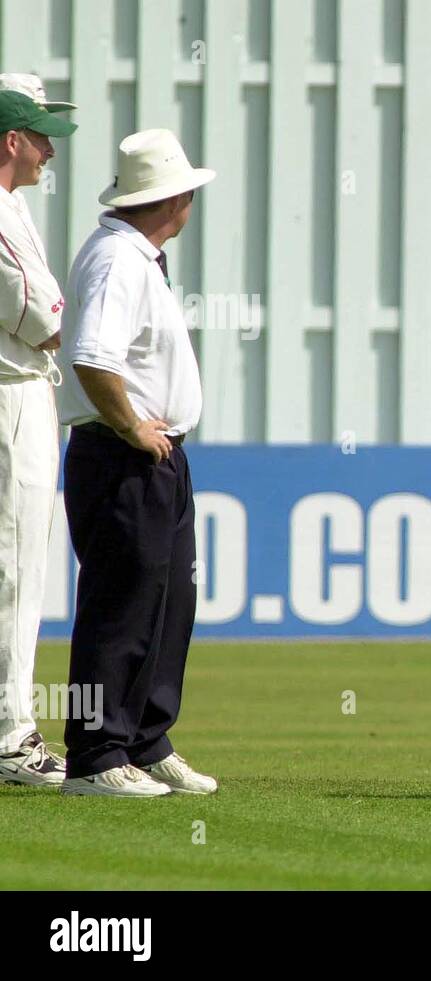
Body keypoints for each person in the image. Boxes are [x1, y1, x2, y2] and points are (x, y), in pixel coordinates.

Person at [56, 129, 217, 797]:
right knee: (119, 603)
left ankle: (146, 739)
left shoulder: (137, 257)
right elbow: (93, 357)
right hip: (124, 453)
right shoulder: (119, 260)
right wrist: (131, 427)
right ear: (174, 199)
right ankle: (95, 756)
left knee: (168, 598)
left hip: (157, 455)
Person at [0, 88, 75, 787]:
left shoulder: (14, 205)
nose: (49, 149)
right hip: (10, 396)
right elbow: (47, 318)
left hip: (23, 390)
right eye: (39, 135)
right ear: (8, 140)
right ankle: (11, 738)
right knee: (16, 569)